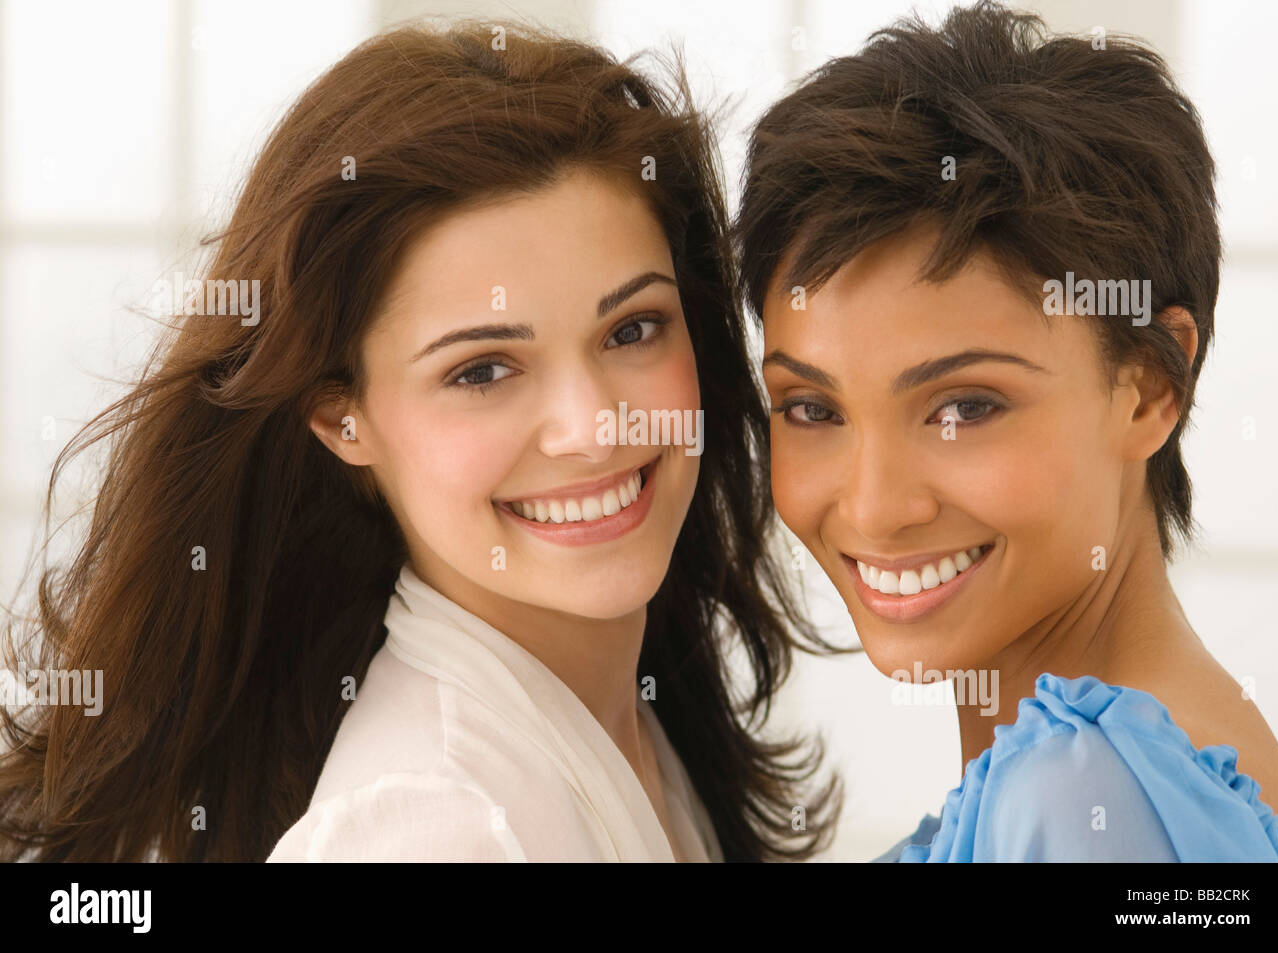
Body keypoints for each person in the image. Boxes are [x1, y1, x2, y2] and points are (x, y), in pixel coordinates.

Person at [0, 20, 842, 862]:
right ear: (342, 419)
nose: (595, 428)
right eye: (481, 371)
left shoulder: (628, 722)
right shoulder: (435, 828)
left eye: (632, 329)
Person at [735, 1, 1278, 861]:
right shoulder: (1113, 781)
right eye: (813, 409)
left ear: (1150, 383)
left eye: (963, 408)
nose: (877, 508)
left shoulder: (1081, 798)